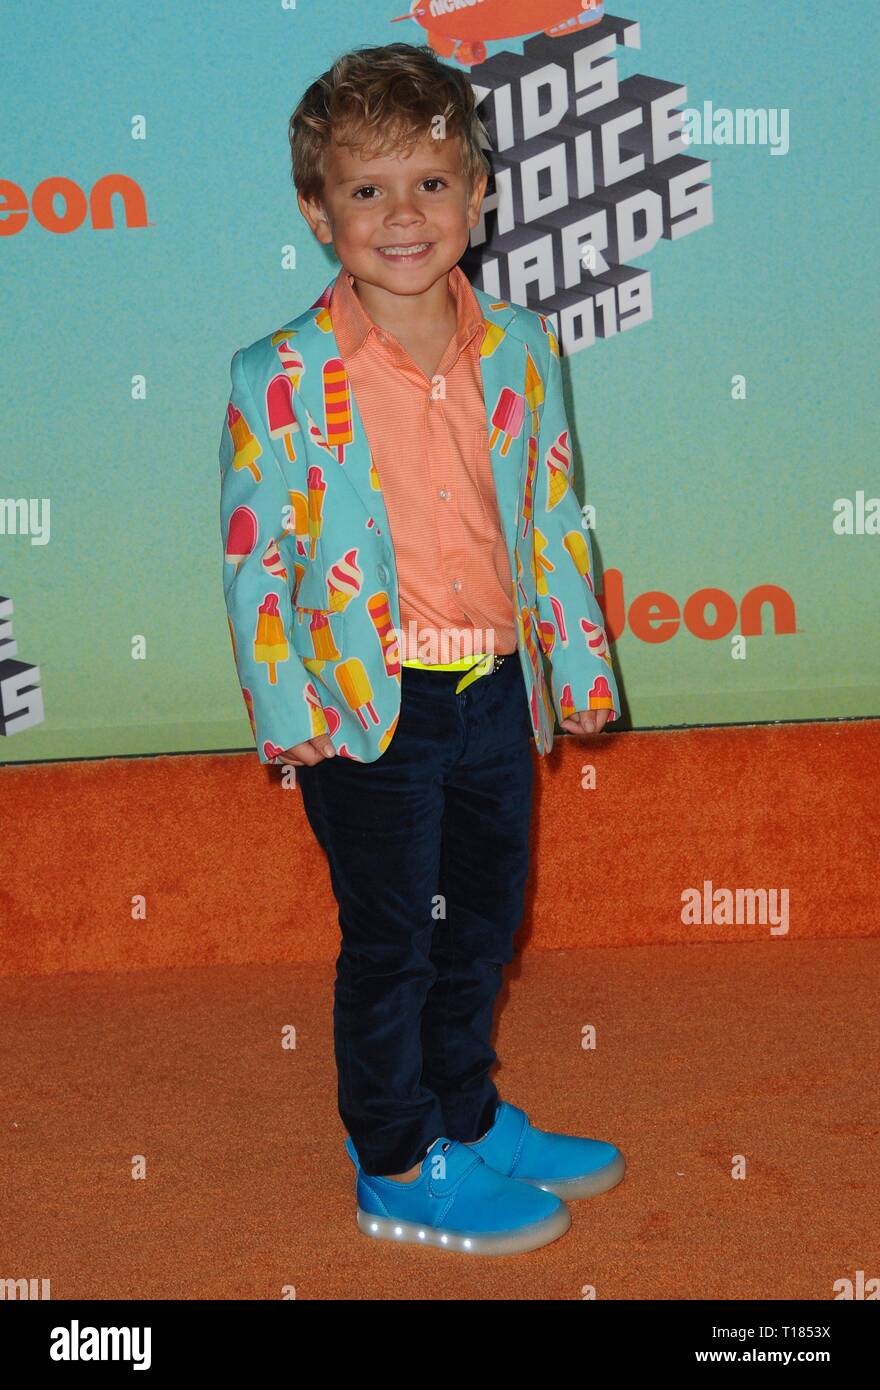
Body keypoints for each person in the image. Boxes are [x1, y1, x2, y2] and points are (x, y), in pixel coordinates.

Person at [219, 41, 625, 1256]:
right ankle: (395, 1155)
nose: (403, 216)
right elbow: (256, 562)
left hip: (496, 687)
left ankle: (464, 1108)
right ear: (316, 210)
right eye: (365, 190)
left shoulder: (518, 348)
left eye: (432, 184)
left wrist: (581, 665)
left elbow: (551, 511)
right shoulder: (278, 375)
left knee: (486, 919)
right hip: (364, 702)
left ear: (480, 192)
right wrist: (286, 708)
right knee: (393, 935)